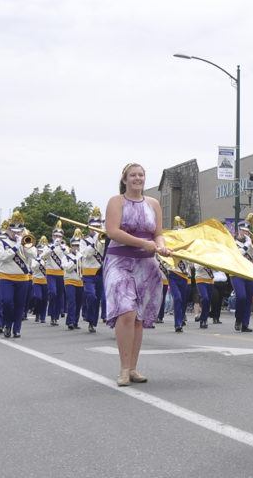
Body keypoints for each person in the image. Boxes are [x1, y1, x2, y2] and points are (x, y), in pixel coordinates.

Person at [103, 162, 171, 386]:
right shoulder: (116, 201)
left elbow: (158, 233)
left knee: (139, 318)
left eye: (141, 175)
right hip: (120, 261)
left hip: (146, 264)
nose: (137, 178)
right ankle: (123, 369)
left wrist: (161, 246)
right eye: (132, 175)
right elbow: (112, 231)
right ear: (124, 179)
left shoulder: (153, 203)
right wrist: (143, 242)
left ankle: (133, 368)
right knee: (127, 312)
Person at [0, 212, 37, 339]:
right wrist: (15, 248)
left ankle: (16, 329)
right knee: (7, 302)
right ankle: (7, 324)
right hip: (6, 277)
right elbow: (1, 257)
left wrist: (23, 244)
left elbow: (34, 254)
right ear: (8, 230)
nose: (16, 233)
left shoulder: (26, 243)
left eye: (19, 231)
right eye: (13, 230)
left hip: (22, 278)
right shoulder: (1, 242)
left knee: (19, 304)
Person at [232, 219, 253, 332]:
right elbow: (237, 254)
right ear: (239, 230)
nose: (246, 233)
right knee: (241, 296)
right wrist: (246, 246)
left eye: (247, 231)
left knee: (249, 299)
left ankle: (245, 324)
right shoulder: (232, 242)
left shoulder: (250, 243)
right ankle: (238, 319)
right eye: (244, 231)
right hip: (237, 272)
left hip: (249, 272)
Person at [166, 216, 192, 333]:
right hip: (173, 274)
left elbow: (191, 264)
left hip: (184, 276)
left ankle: (181, 318)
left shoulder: (187, 248)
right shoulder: (170, 245)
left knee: (183, 300)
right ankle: (177, 324)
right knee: (177, 298)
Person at [63, 229, 84, 331]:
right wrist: (75, 260)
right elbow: (67, 268)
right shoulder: (66, 257)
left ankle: (75, 321)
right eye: (74, 245)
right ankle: (70, 322)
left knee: (79, 302)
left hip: (80, 281)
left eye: (77, 245)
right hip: (69, 281)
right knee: (72, 302)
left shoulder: (81, 256)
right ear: (71, 246)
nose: (76, 247)